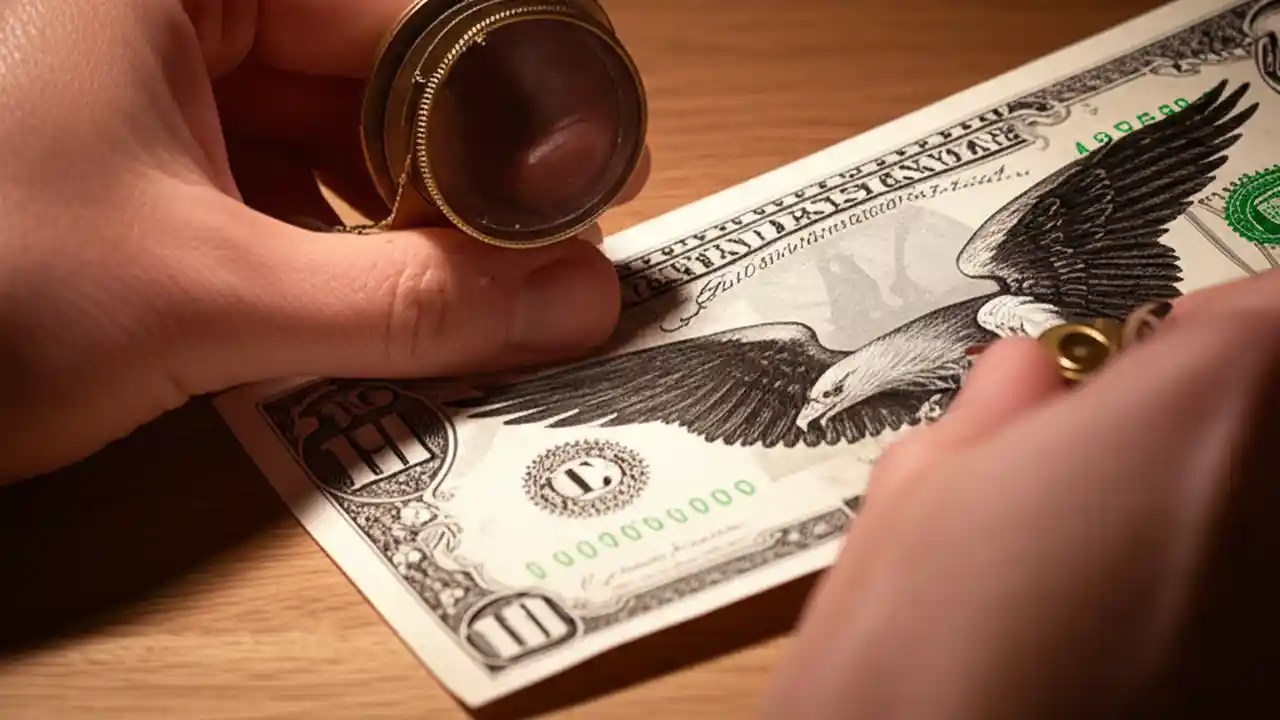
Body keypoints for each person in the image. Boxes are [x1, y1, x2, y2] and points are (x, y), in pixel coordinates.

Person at [1, 2, 1275, 717]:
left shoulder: (1009, 283)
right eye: (828, 387)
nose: (823, 387)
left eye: (829, 386)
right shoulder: (799, 370)